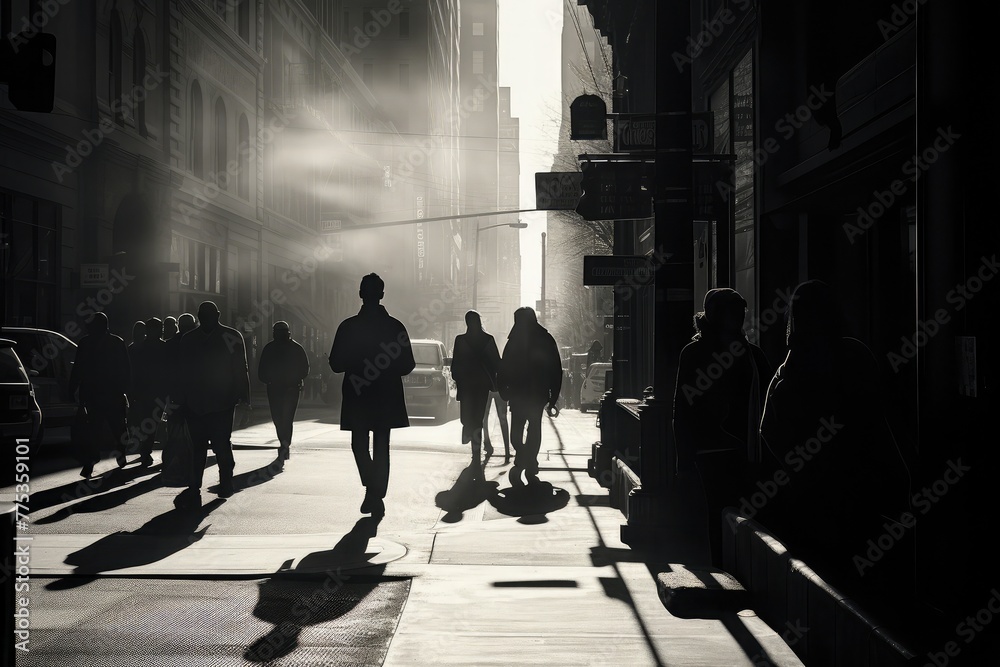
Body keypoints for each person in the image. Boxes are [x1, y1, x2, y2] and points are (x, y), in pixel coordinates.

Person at [759, 280, 911, 571]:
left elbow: (768, 430)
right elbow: (879, 421)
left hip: (809, 493)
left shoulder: (789, 369)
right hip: (859, 486)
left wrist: (797, 468)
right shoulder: (855, 354)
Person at [672, 288, 772, 568]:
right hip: (712, 454)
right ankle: (723, 572)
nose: (740, 318)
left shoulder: (752, 355)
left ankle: (736, 572)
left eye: (742, 312)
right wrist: (684, 462)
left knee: (743, 523)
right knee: (720, 520)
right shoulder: (696, 353)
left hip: (745, 454)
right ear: (716, 315)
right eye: (733, 312)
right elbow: (683, 410)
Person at [329, 273, 415, 517]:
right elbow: (407, 364)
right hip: (386, 394)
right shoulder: (395, 327)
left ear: (360, 294)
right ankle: (375, 492)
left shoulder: (348, 327)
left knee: (359, 444)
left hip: (358, 394)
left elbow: (336, 364)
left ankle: (372, 489)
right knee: (381, 445)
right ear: (382, 295)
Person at [173, 301, 250, 509]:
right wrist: (179, 400)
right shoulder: (190, 339)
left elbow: (240, 369)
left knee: (220, 444)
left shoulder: (230, 336)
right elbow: (181, 372)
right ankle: (197, 484)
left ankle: (223, 481)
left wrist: (244, 398)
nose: (206, 319)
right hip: (197, 403)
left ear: (218, 315)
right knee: (200, 446)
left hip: (220, 402)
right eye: (203, 315)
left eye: (209, 315)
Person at [496, 307, 562, 487]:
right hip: (536, 394)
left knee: (518, 431)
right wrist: (553, 396)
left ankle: (524, 457)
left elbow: (503, 367)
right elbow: (555, 368)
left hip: (520, 393)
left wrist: (503, 389)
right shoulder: (545, 339)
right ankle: (530, 459)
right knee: (533, 429)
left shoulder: (514, 341)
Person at [68, 312, 131, 477]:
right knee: (116, 427)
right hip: (111, 393)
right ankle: (117, 451)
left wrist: (72, 389)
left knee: (95, 429)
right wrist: (126, 390)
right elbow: (126, 369)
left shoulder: (86, 343)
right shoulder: (116, 342)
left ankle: (91, 460)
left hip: (94, 394)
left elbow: (78, 368)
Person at [450, 310, 502, 480]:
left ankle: (473, 447)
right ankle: (476, 452)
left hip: (466, 386)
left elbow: (455, 365)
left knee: (467, 418)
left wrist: (459, 378)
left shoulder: (460, 340)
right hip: (482, 386)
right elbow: (497, 363)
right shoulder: (488, 340)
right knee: (478, 418)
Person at [258, 321, 310, 461]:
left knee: (281, 418)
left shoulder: (271, 348)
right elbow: (305, 369)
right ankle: (284, 443)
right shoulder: (296, 348)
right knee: (283, 418)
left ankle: (284, 444)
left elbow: (261, 370)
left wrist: (269, 380)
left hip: (280, 388)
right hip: (287, 388)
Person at [130, 316, 168, 467]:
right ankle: (146, 450)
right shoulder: (164, 347)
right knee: (152, 422)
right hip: (158, 392)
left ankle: (145, 450)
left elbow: (132, 371)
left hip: (142, 391)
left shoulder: (138, 348)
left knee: (145, 421)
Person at [161, 313, 196, 478]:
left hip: (174, 395)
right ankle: (189, 462)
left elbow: (163, 372)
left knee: (174, 430)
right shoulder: (197, 343)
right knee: (193, 431)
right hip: (193, 395)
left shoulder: (169, 345)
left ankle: (170, 462)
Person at [482, 390, 510, 464]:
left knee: (484, 417)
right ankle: (507, 450)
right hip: (499, 388)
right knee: (503, 418)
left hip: (488, 387)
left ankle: (487, 442)